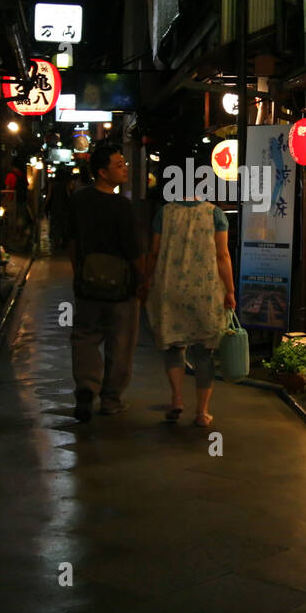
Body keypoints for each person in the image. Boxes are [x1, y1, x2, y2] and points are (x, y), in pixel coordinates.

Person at [142, 188, 236, 427]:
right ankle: (202, 412)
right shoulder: (215, 214)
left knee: (174, 346)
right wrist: (231, 290)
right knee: (204, 352)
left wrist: (147, 280)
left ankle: (176, 399)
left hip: (169, 288)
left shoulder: (165, 212)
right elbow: (222, 255)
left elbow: (153, 252)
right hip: (204, 290)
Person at [68, 143, 146, 422]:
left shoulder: (79, 201)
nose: (125, 168)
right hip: (121, 286)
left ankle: (87, 387)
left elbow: (72, 240)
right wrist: (142, 280)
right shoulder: (121, 206)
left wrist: (78, 272)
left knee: (85, 337)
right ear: (102, 172)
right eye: (119, 165)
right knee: (121, 342)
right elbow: (135, 249)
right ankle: (111, 399)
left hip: (89, 281)